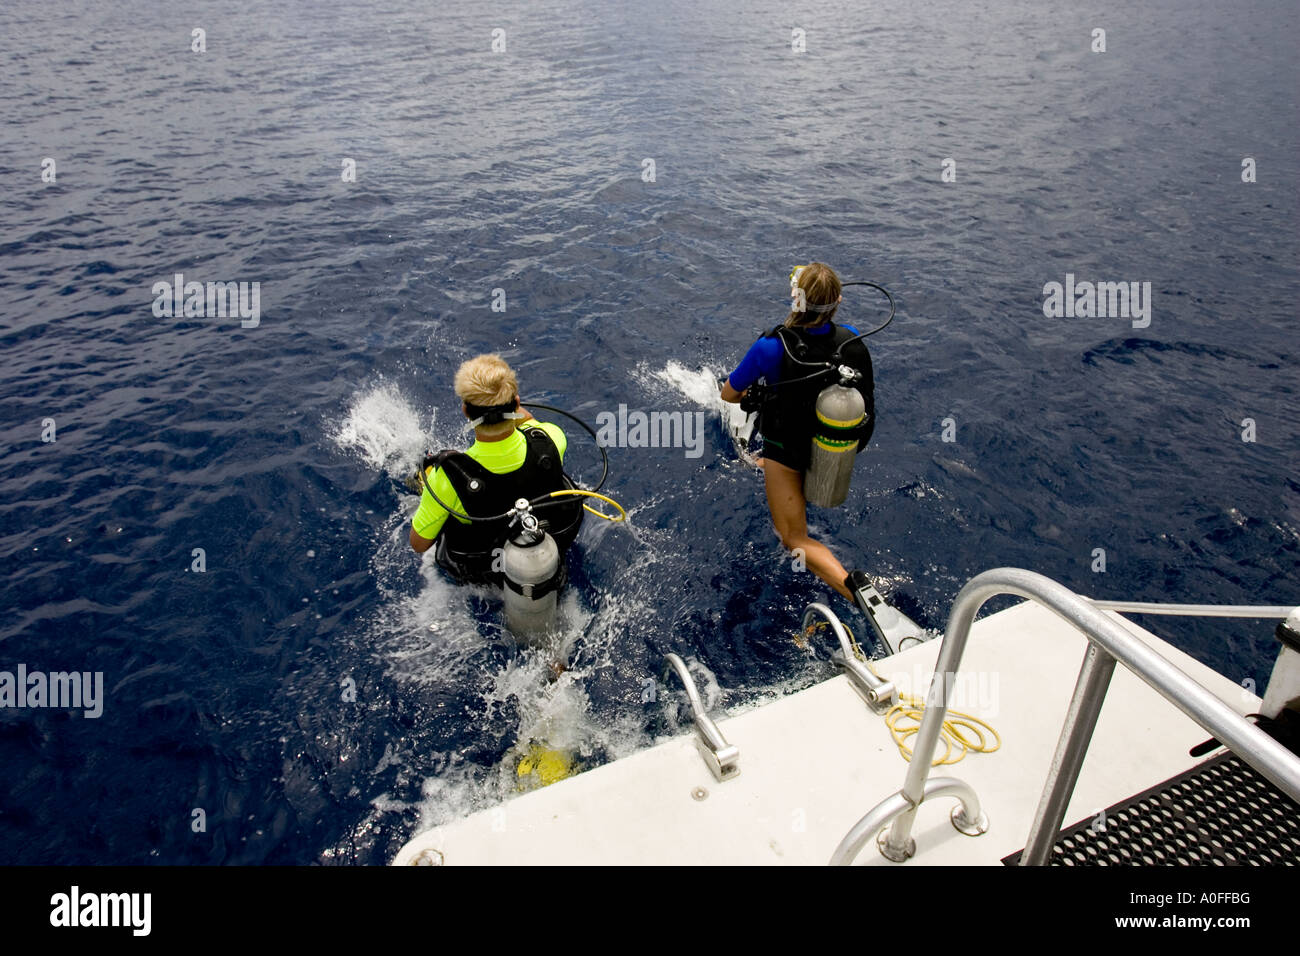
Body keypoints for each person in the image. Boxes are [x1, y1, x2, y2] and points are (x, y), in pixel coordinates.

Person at [720, 262, 878, 606]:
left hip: (786, 452)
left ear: (796, 300)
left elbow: (728, 395)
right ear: (836, 301)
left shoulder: (771, 347)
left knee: (792, 538)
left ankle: (856, 594)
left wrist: (757, 395)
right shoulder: (851, 340)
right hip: (833, 446)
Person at [409, 355, 584, 586]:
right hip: (544, 553)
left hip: (482, 573)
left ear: (465, 411)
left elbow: (419, 544)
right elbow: (530, 424)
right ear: (516, 403)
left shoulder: (447, 477)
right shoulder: (552, 438)